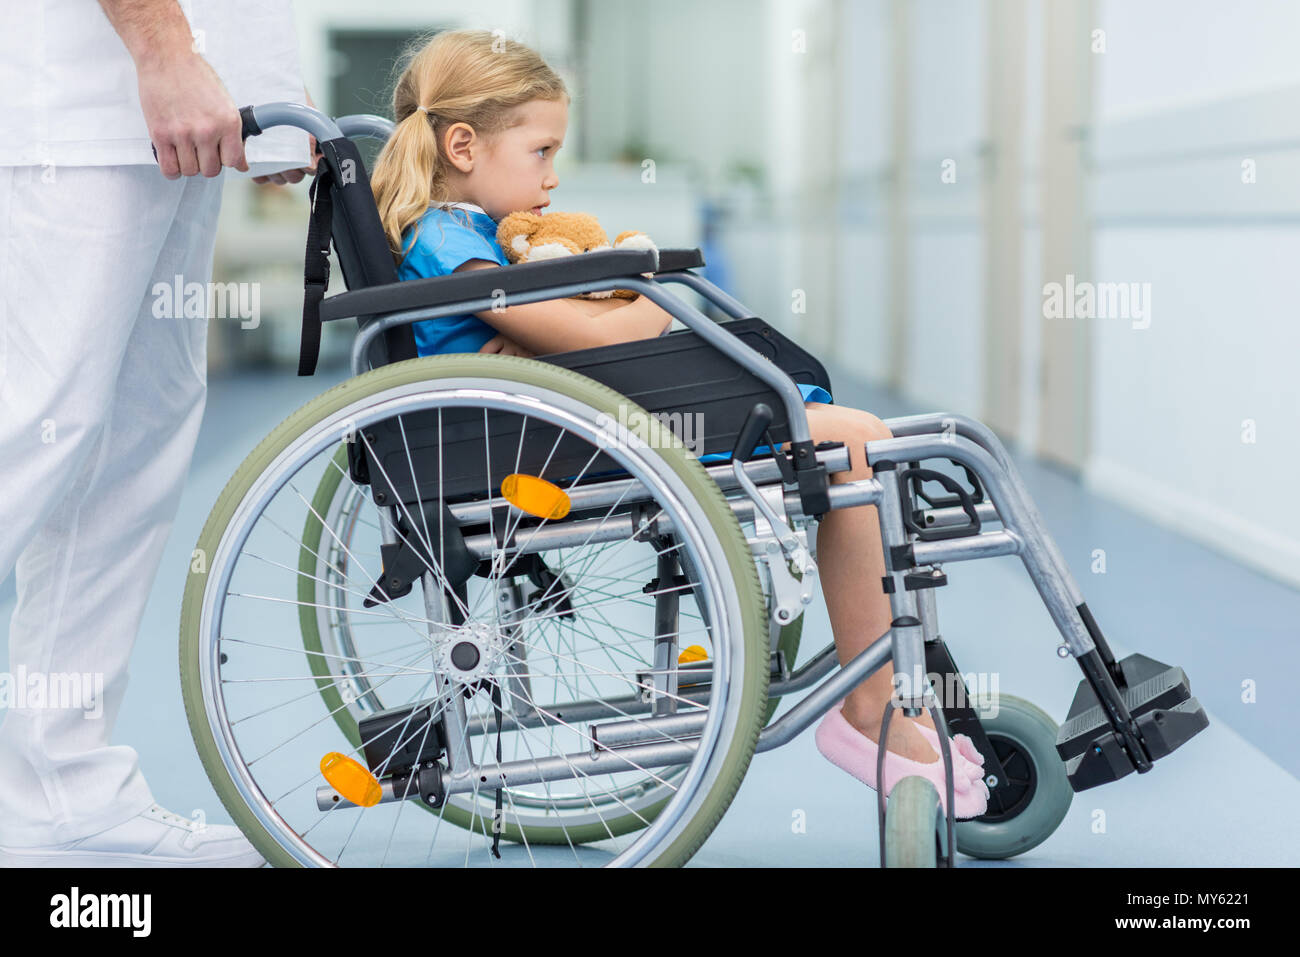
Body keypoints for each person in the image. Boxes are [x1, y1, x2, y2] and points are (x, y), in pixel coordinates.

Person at [368, 30, 992, 818]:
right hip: (555, 442)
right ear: (463, 145)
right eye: (542, 151)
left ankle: (884, 701)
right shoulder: (451, 245)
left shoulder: (463, 239)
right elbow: (595, 338)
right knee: (857, 440)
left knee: (847, 430)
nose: (553, 180)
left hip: (572, 424)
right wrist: (638, 288)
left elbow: (564, 332)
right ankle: (870, 711)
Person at [0, 0, 315, 865]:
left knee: (127, 458)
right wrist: (165, 51)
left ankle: (59, 783)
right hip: (87, 110)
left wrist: (267, 95)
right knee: (31, 431)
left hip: (171, 125)